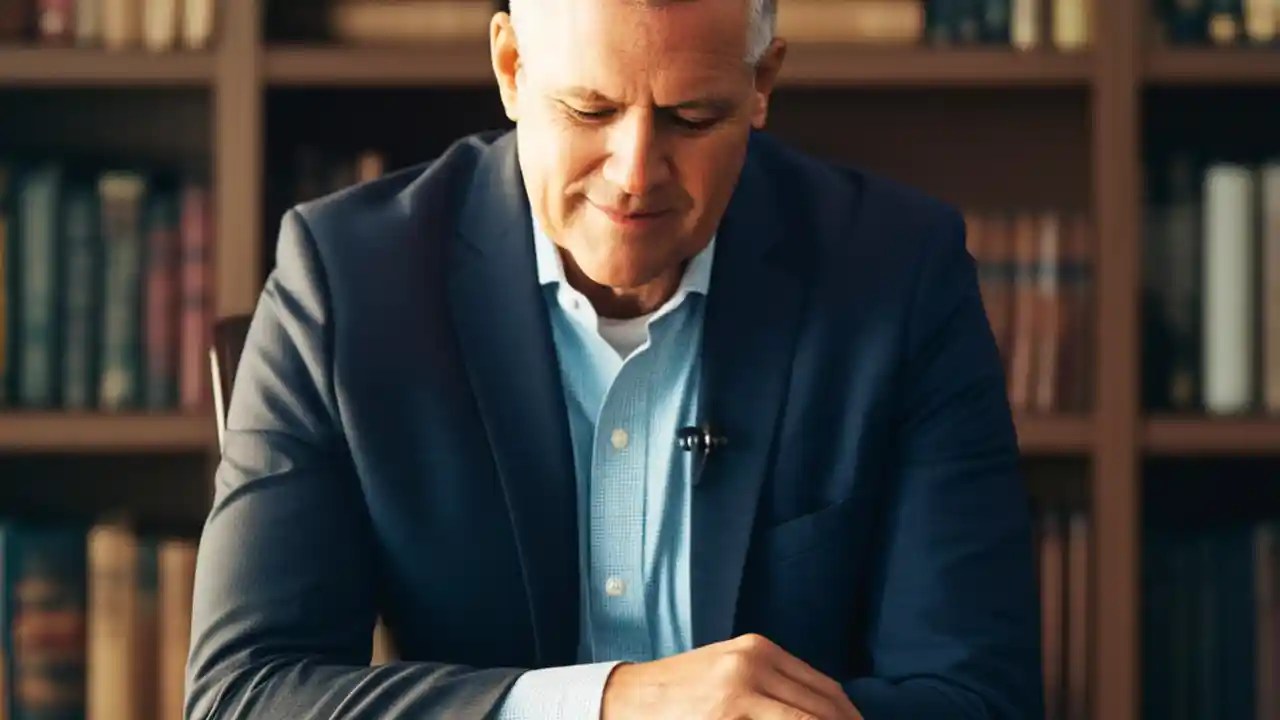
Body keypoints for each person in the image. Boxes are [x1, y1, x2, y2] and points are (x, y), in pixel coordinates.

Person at [185, 0, 1043, 717]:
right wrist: (609, 703)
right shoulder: (345, 280)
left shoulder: (901, 274)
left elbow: (978, 696)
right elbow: (244, 693)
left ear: (761, 85)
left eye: (692, 116)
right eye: (589, 110)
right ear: (513, 68)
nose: (635, 172)